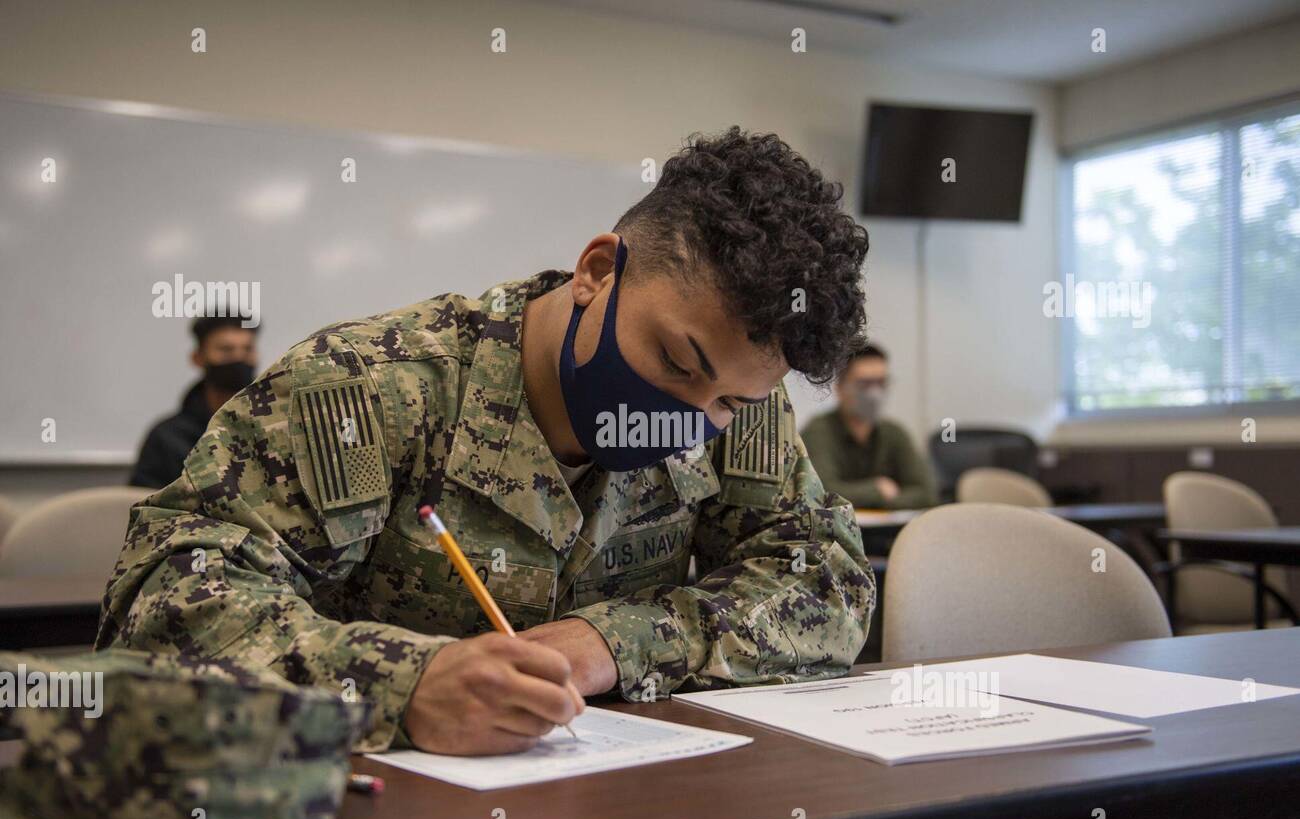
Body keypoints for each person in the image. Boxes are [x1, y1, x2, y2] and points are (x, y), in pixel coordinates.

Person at [98, 127, 877, 757]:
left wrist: (619, 643)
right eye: (675, 362)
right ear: (597, 272)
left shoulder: (740, 416)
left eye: (733, 400)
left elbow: (830, 583)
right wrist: (403, 684)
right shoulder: (365, 390)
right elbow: (160, 608)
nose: (691, 418)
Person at [128, 314, 260, 488]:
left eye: (247, 349)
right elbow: (144, 506)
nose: (239, 358)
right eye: (226, 350)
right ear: (197, 358)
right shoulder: (167, 438)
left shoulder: (272, 425)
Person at [800, 344, 937, 510]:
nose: (875, 394)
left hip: (888, 532)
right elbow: (821, 493)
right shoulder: (818, 432)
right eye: (864, 384)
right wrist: (877, 490)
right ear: (840, 388)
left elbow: (927, 493)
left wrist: (886, 502)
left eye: (881, 383)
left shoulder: (894, 432)